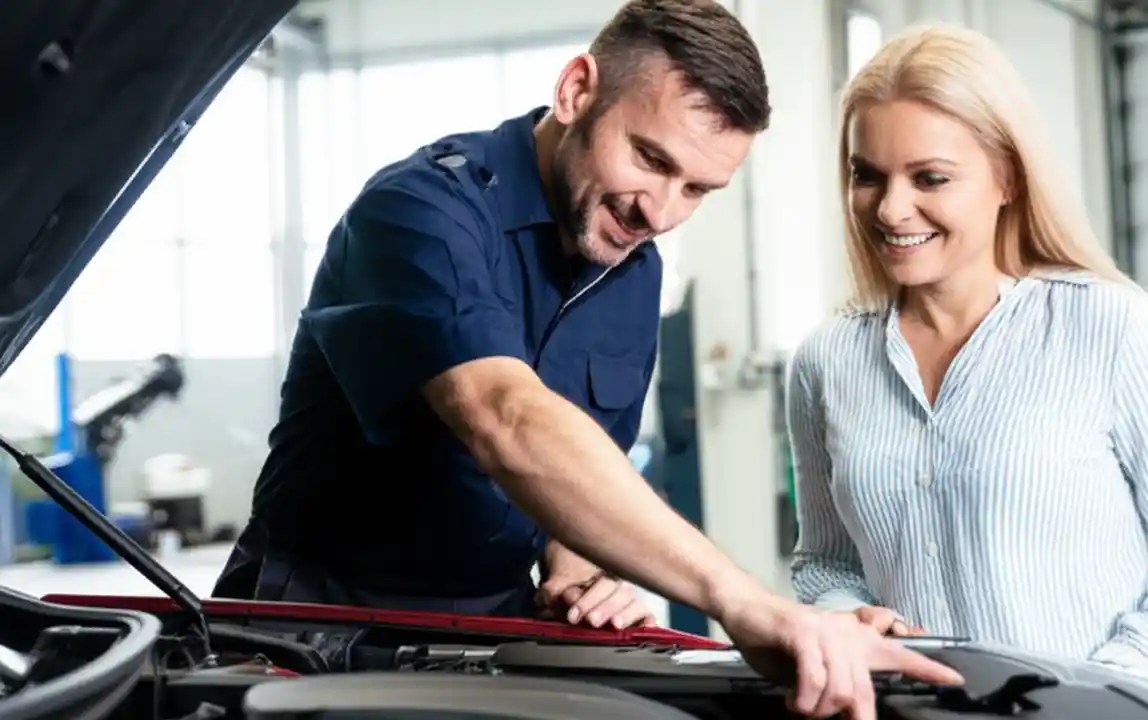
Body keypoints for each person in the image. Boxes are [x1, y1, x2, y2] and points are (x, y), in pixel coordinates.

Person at [214, 1, 964, 716]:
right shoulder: (420, 213)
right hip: (315, 628)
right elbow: (507, 419)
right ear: (576, 91)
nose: (660, 212)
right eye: (649, 158)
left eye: (697, 189)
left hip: (490, 630)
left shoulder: (632, 269)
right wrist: (744, 603)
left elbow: (578, 469)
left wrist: (580, 573)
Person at [786, 22, 1148, 691]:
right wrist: (848, 616)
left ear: (1007, 177)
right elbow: (825, 563)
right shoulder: (826, 362)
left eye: (931, 177)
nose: (891, 209)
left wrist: (1092, 697)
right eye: (867, 176)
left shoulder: (1111, 330)